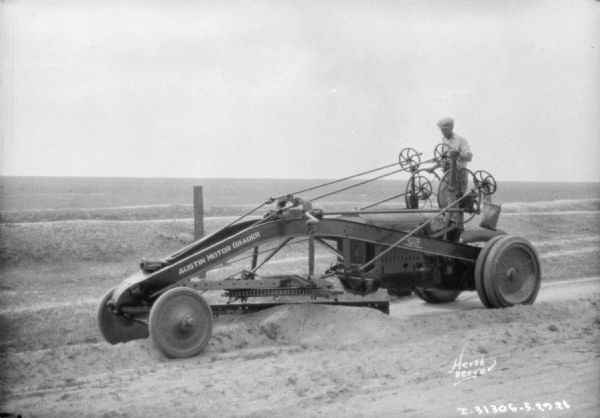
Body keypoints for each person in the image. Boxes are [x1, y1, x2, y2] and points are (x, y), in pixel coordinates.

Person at [437, 117, 472, 195]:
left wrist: (457, 154)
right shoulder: (444, 141)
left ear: (452, 127)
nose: (443, 132)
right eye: (441, 130)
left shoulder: (461, 140)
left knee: (458, 199)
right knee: (443, 197)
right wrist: (433, 167)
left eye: (445, 129)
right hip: (447, 174)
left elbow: (469, 157)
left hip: (459, 174)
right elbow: (444, 159)